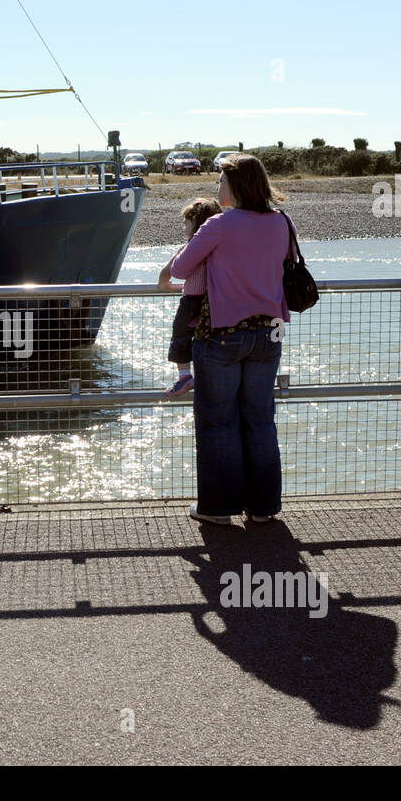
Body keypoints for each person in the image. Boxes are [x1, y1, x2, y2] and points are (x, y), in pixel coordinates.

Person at [171, 154, 293, 525]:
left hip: (222, 335)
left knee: (218, 422)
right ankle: (263, 508)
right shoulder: (281, 222)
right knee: (259, 420)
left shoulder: (219, 224)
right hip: (268, 334)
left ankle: (218, 508)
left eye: (221, 182)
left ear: (235, 185)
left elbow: (180, 269)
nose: (217, 189)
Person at [159, 198, 221, 396]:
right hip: (214, 300)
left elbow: (170, 273)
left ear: (196, 224)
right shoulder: (219, 247)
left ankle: (184, 376)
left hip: (192, 300)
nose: (183, 227)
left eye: (186, 223)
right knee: (209, 338)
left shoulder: (193, 246)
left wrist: (167, 284)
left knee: (180, 334)